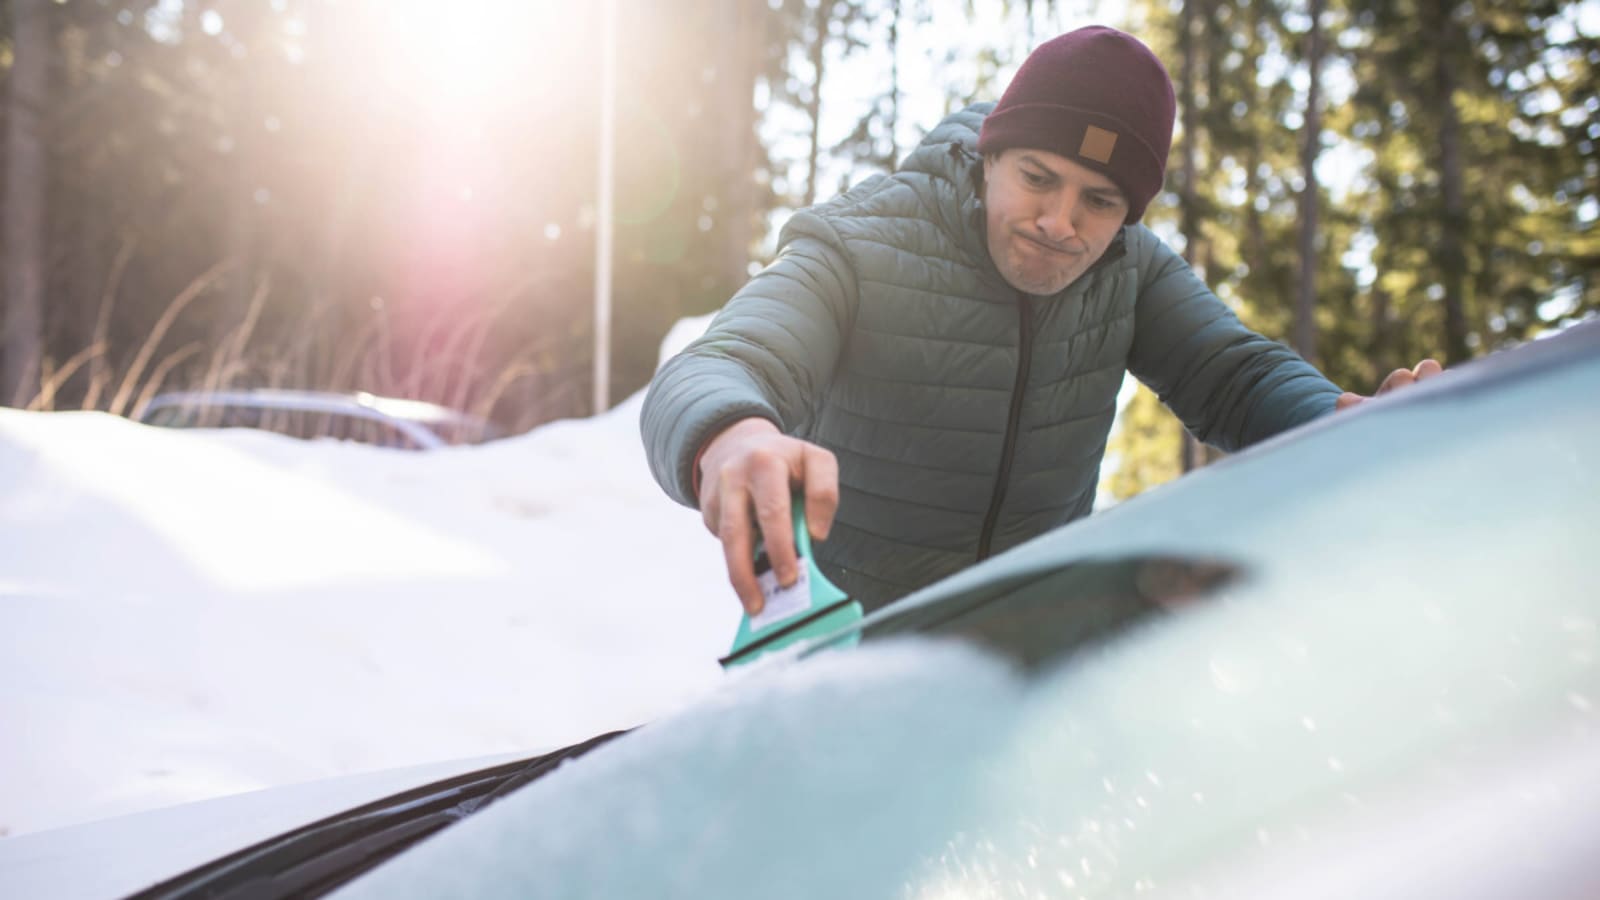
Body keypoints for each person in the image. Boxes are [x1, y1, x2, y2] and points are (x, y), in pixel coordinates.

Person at [641, 25, 1441, 617]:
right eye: (1037, 177)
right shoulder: (862, 241)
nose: (1060, 222)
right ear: (990, 155)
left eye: (1099, 201)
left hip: (1021, 648)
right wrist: (733, 435)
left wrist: (1343, 420)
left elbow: (1235, 376)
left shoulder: (1131, 270)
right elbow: (727, 360)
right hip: (845, 651)